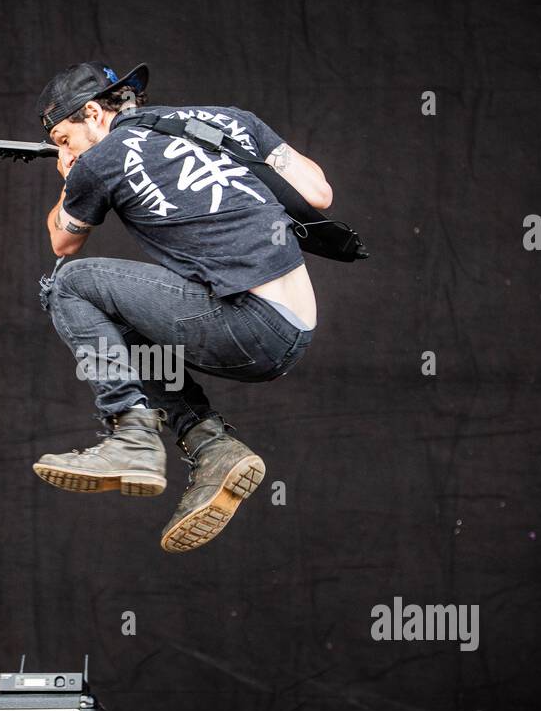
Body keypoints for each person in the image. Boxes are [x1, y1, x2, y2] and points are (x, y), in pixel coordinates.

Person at [33, 61, 332, 554]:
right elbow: (319, 193)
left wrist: (70, 177)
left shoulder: (99, 159)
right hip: (295, 327)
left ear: (92, 112)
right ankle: (211, 445)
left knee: (67, 285)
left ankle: (130, 435)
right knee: (121, 318)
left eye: (64, 138)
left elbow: (63, 243)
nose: (65, 150)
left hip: (246, 326)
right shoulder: (228, 119)